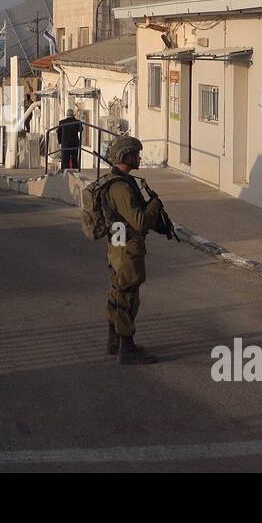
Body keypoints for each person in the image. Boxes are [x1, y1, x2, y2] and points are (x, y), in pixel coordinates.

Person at [102, 135, 164, 365]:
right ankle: (126, 348)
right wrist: (155, 206)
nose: (138, 157)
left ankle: (114, 341)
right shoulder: (120, 186)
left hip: (119, 246)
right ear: (125, 156)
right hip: (126, 249)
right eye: (135, 154)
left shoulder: (117, 181)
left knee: (118, 293)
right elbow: (139, 221)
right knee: (127, 297)